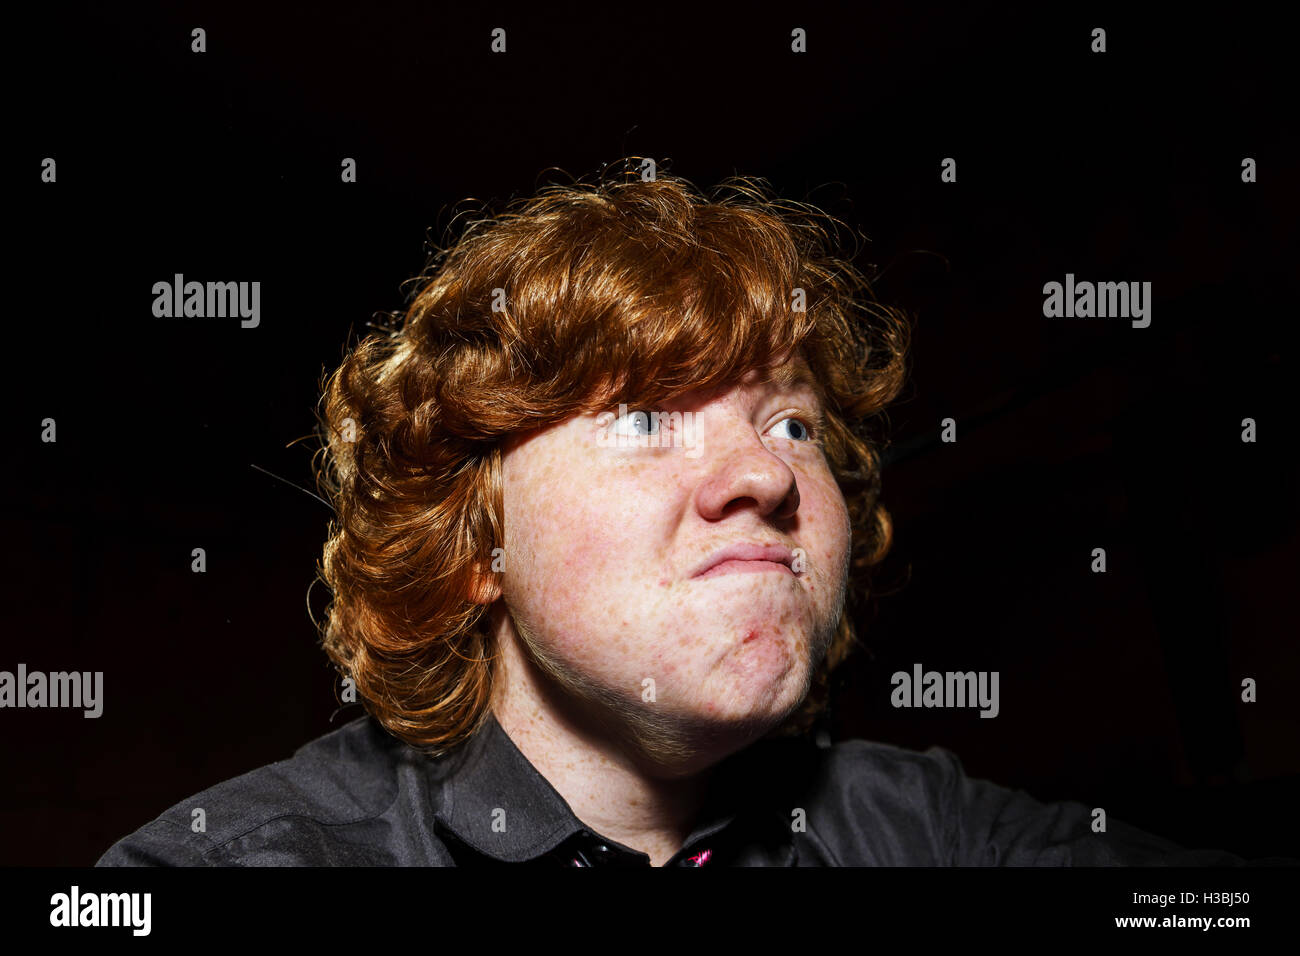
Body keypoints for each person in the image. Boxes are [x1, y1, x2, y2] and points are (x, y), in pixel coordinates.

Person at [97, 164, 1268, 867]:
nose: (764, 475)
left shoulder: (914, 822)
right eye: (646, 415)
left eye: (791, 423)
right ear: (473, 543)